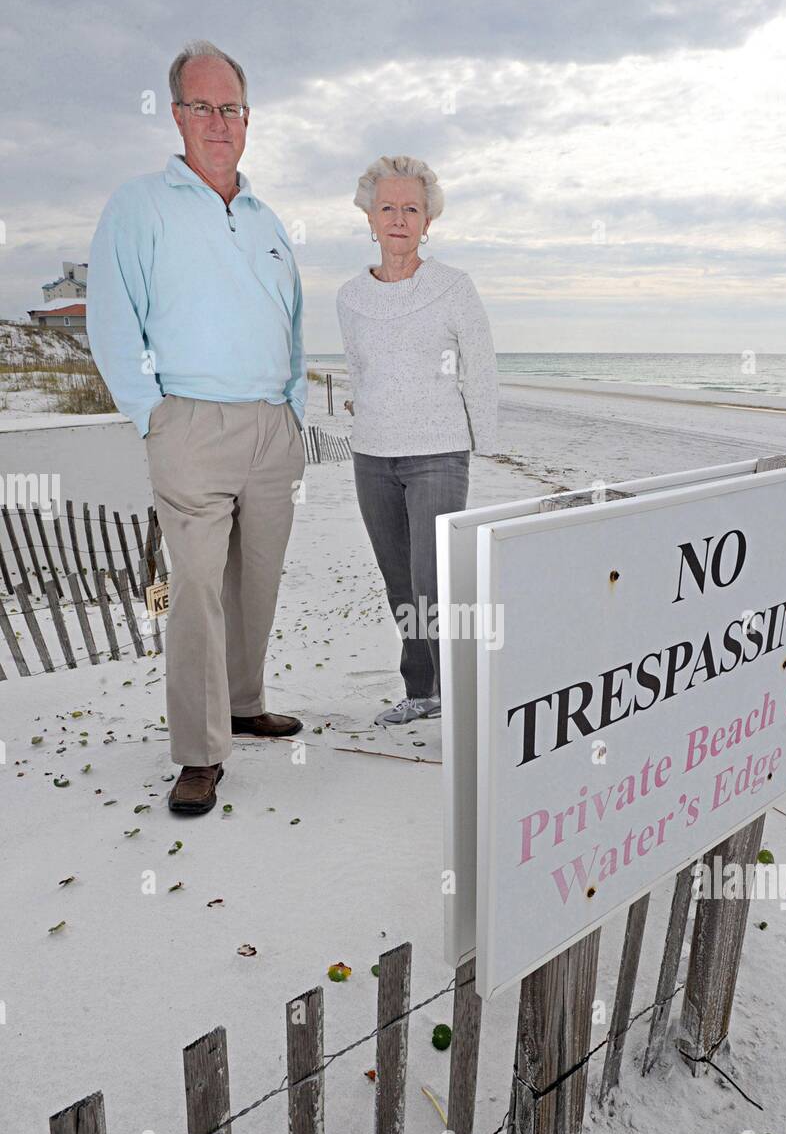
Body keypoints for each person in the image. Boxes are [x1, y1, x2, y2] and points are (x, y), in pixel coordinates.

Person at [88, 41, 307, 814]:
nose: (219, 122)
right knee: (195, 593)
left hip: (271, 429)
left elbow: (292, 319)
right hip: (188, 424)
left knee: (257, 581)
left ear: (248, 120)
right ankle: (198, 753)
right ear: (177, 114)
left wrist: (294, 410)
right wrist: (154, 417)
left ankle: (243, 704)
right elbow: (112, 319)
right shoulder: (139, 203)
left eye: (232, 108)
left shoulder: (266, 215)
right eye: (204, 106)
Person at [337, 155, 498, 725]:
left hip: (437, 455)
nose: (399, 218)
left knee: (437, 582)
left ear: (428, 220)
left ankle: (460, 703)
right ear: (370, 217)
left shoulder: (454, 287)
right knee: (400, 582)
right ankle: (421, 689)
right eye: (388, 208)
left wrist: (482, 441)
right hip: (372, 456)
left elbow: (479, 367)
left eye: (412, 208)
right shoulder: (350, 297)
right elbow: (359, 372)